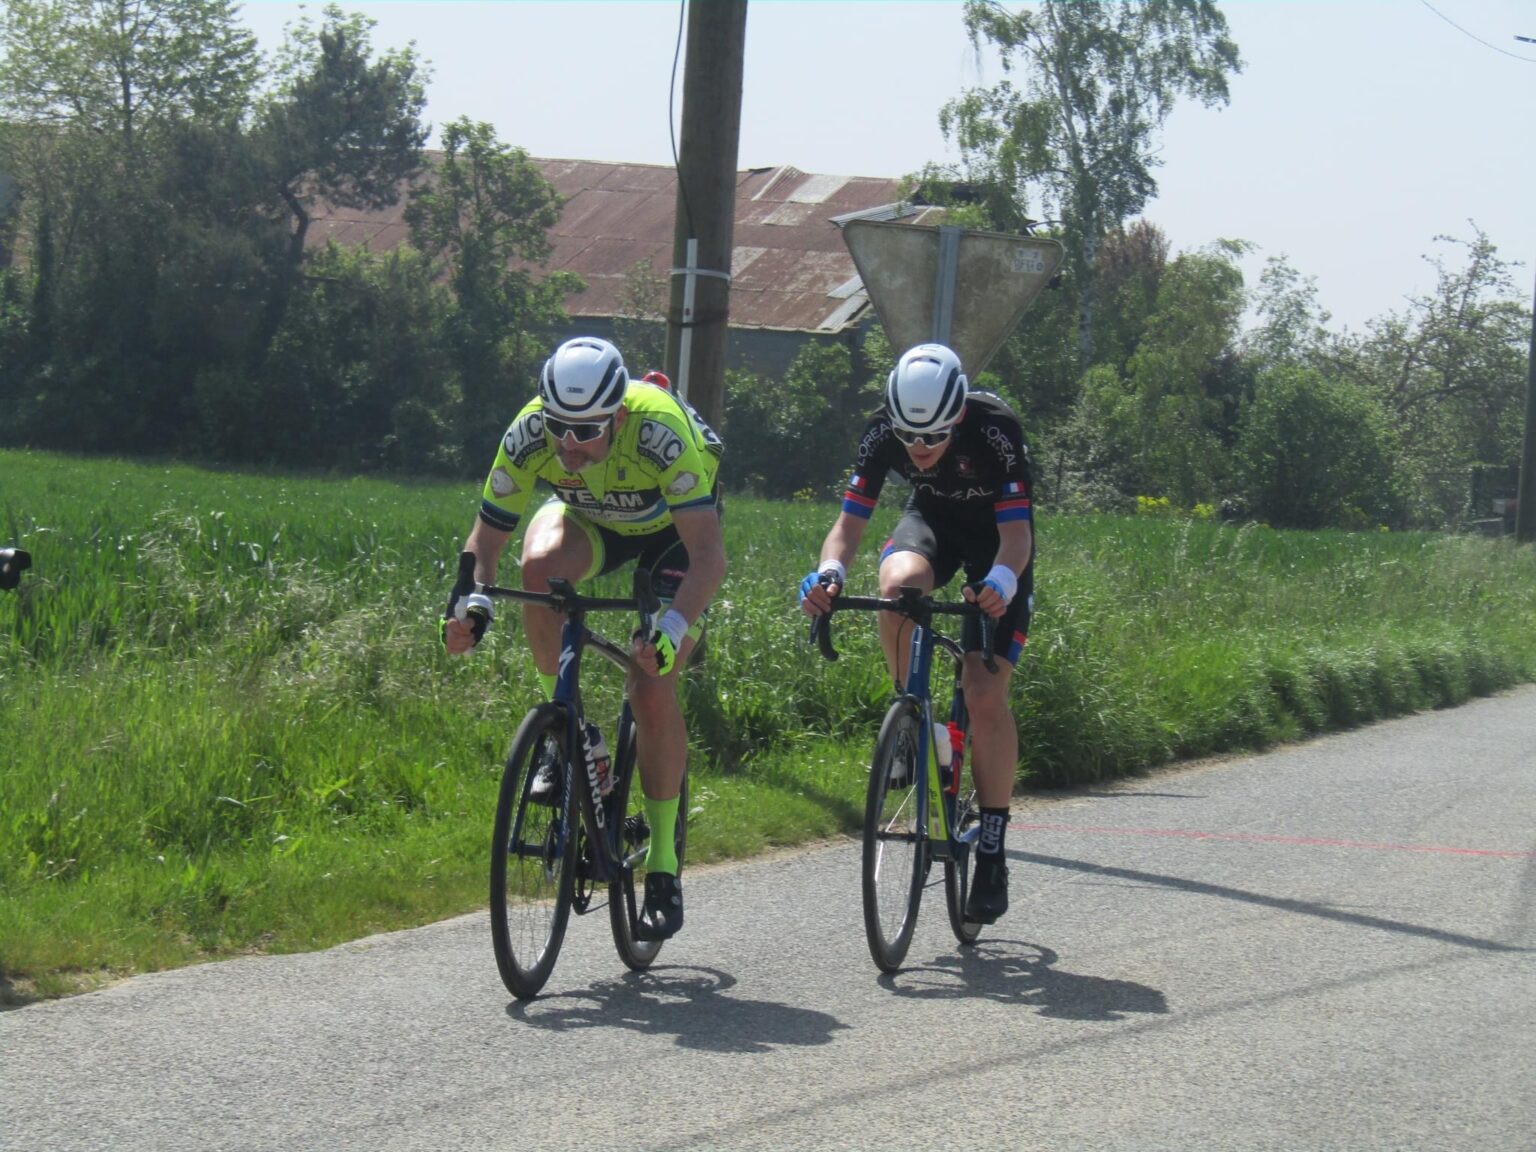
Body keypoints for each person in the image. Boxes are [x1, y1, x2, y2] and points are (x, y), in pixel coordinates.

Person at [443, 336, 725, 941]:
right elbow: (485, 543)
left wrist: (671, 630)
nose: (569, 443)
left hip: (673, 536)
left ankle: (664, 868)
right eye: (559, 426)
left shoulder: (659, 433)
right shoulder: (528, 431)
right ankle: (565, 730)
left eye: (587, 430)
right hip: (591, 519)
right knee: (538, 570)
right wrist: (472, 605)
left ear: (618, 417)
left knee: (650, 686)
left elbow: (708, 556)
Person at [799, 343, 1034, 925]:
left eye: (932, 436)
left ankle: (992, 849)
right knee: (897, 586)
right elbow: (848, 526)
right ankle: (914, 720)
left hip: (996, 542)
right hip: (930, 523)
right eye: (908, 435)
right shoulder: (882, 431)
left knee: (983, 693)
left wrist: (1002, 581)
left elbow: (1016, 537)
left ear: (958, 415)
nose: (918, 448)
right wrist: (829, 571)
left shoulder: (996, 431)